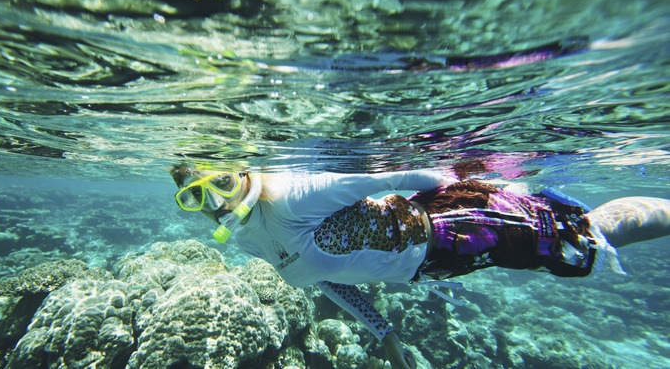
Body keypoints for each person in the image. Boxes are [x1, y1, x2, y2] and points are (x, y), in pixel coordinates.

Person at [170, 164, 670, 369]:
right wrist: (384, 332)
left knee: (578, 236)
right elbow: (326, 279)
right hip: (438, 263)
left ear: (240, 172)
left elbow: (392, 175)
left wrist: (468, 177)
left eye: (222, 182)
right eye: (196, 197)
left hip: (455, 225)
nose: (215, 200)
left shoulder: (291, 200)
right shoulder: (250, 240)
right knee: (554, 250)